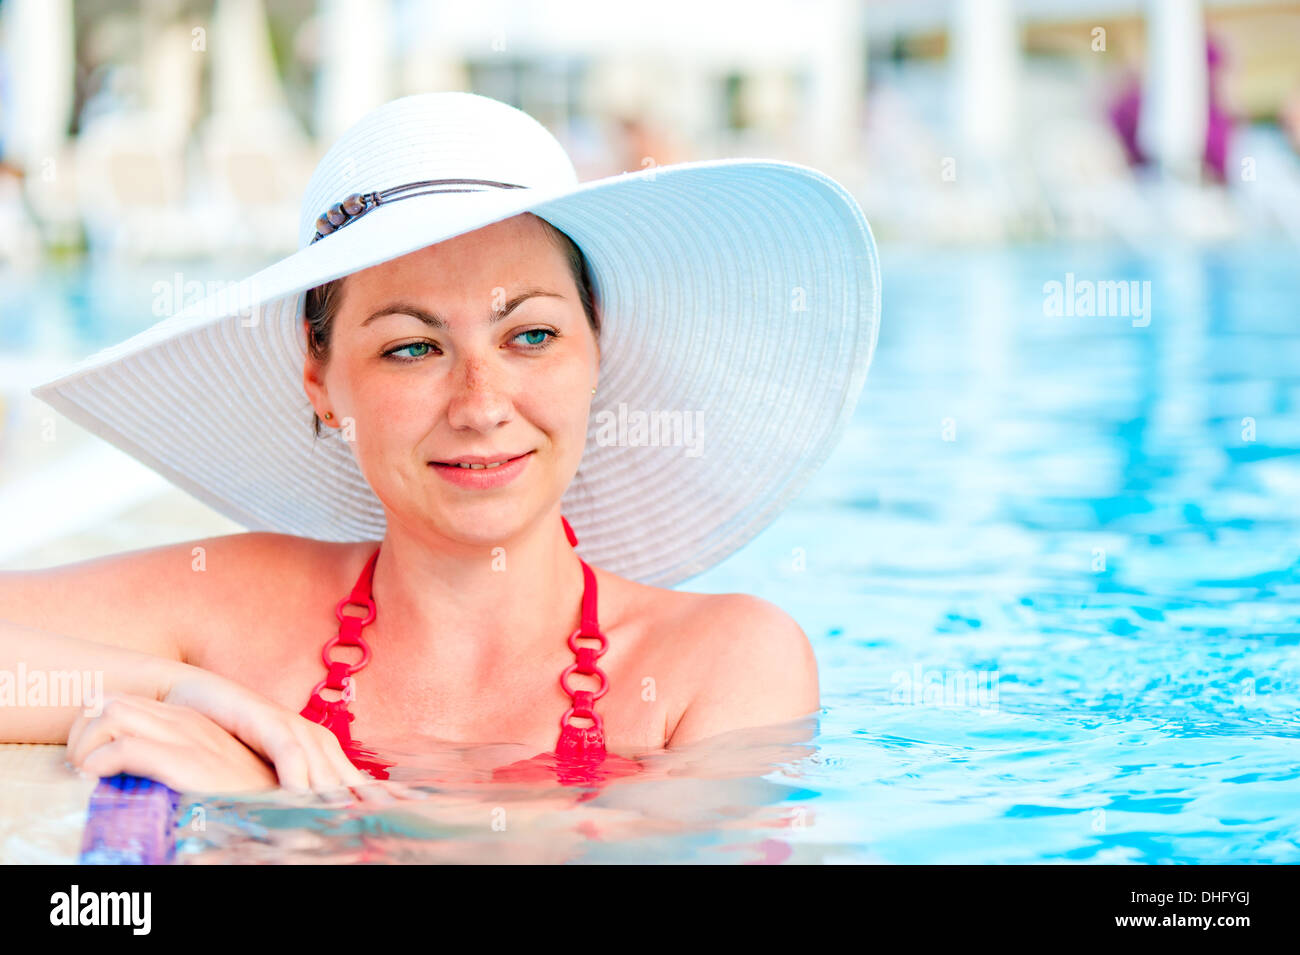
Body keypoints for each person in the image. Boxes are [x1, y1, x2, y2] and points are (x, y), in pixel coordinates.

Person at [0, 91, 881, 796]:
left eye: (530, 336)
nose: (481, 402)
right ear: (319, 377)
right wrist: (182, 692)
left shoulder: (721, 662)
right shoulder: (233, 605)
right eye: (411, 347)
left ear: (596, 344)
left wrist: (282, 802)